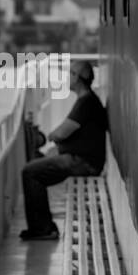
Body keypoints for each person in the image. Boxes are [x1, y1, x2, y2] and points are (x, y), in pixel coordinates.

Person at [20, 60, 108, 241]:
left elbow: (61, 133)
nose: (67, 78)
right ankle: (44, 227)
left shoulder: (87, 102)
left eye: (70, 74)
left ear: (77, 78)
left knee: (30, 172)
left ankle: (43, 229)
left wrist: (51, 136)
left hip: (84, 163)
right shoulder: (86, 101)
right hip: (80, 159)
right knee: (36, 167)